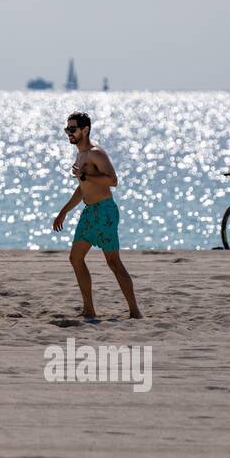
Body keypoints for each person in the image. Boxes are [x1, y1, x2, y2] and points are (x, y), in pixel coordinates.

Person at [52, 111, 142, 320]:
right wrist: (63, 212)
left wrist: (84, 174)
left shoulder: (95, 153)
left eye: (72, 129)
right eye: (67, 129)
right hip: (89, 212)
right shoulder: (80, 155)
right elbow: (83, 188)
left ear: (85, 130)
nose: (69, 133)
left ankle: (135, 311)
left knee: (113, 262)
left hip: (105, 211)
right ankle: (89, 309)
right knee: (75, 258)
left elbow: (113, 180)